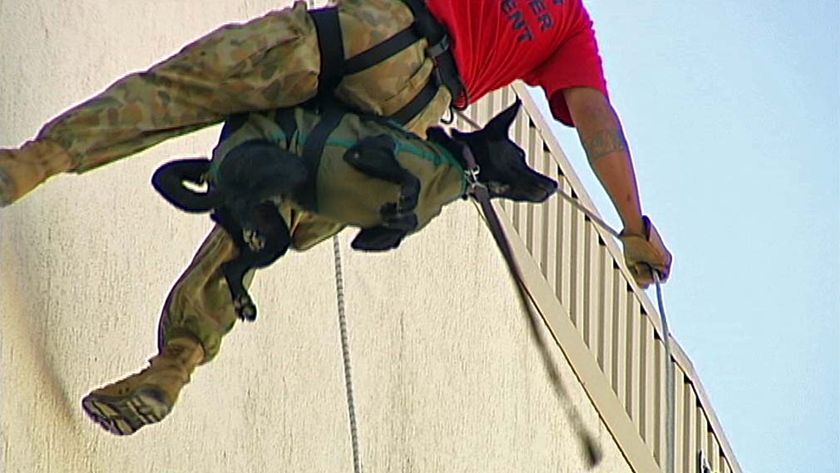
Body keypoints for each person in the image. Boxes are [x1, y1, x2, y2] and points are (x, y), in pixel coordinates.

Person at [0, 0, 672, 435]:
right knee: (262, 211)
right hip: (410, 110)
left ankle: (36, 162)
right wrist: (633, 225)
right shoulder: (569, 23)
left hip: (370, 28)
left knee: (187, 86)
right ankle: (175, 363)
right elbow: (596, 120)